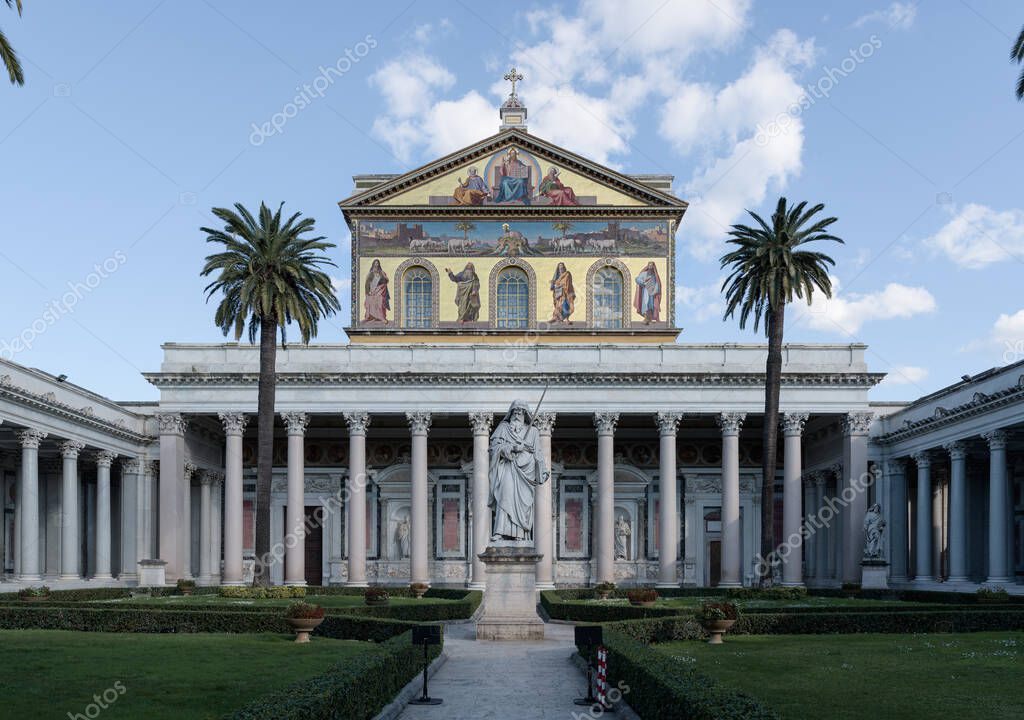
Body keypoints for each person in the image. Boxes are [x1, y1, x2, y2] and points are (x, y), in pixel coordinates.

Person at [488, 400, 549, 541]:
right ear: (511, 413)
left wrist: (543, 470)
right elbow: (494, 449)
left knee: (523, 504)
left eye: (521, 412)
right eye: (515, 412)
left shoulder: (532, 431)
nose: (517, 414)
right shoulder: (503, 428)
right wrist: (514, 448)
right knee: (505, 495)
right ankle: (499, 531)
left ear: (525, 414)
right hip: (508, 468)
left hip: (526, 472)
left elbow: (538, 453)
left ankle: (519, 534)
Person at [363, 259, 390, 323]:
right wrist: (368, 291)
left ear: (379, 264)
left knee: (380, 301)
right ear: (373, 264)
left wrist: (384, 276)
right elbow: (367, 284)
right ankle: (371, 317)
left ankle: (381, 317)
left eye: (377, 263)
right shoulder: (370, 274)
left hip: (380, 290)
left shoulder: (381, 272)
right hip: (372, 291)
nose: (376, 264)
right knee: (369, 300)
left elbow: (386, 281)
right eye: (375, 263)